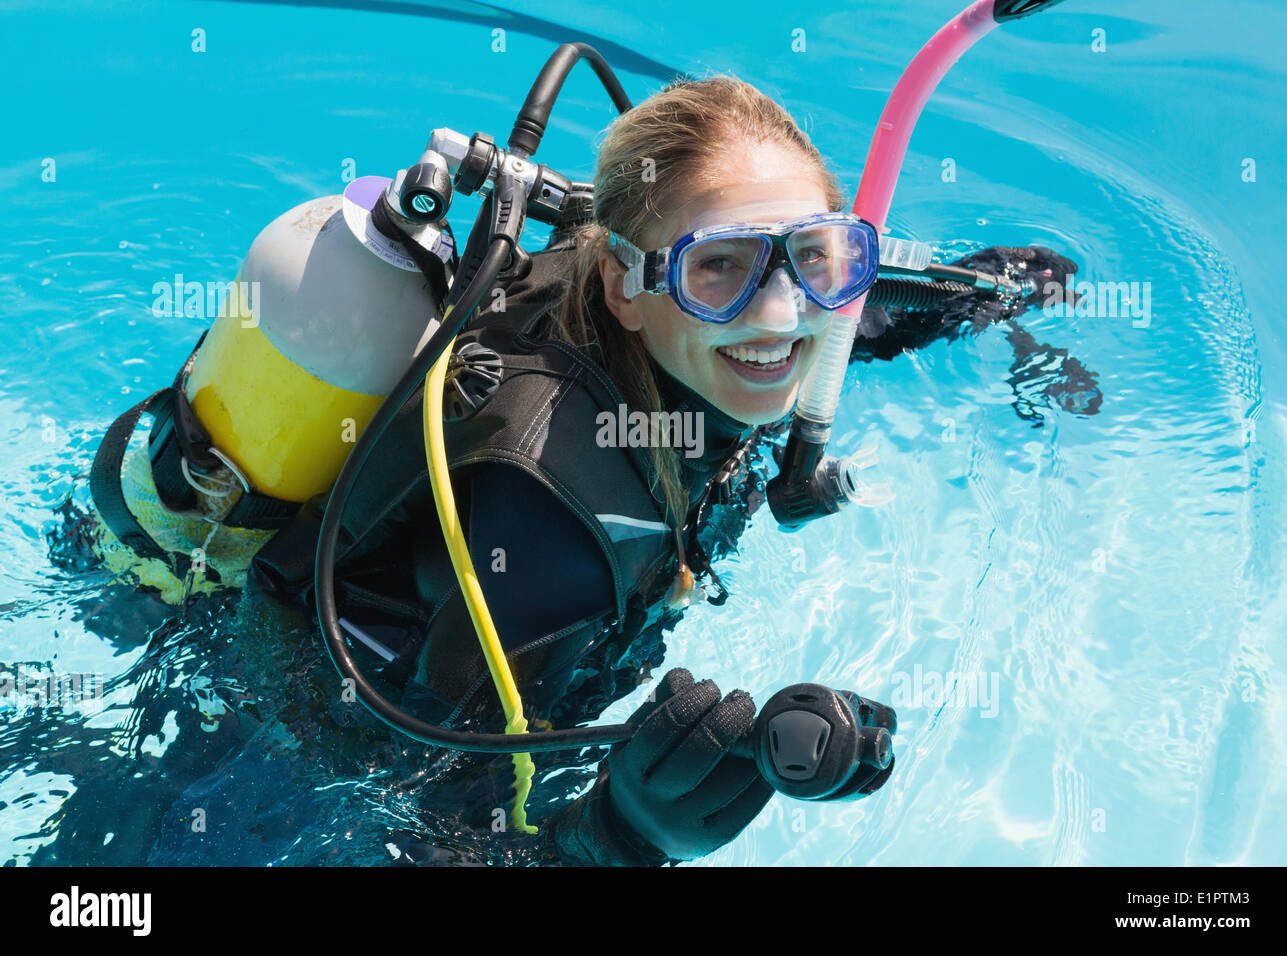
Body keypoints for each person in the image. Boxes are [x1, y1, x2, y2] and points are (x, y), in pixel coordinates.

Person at [236, 74, 1099, 866]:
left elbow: (836, 313)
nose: (781, 310)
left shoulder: (679, 301)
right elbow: (420, 826)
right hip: (276, 728)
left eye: (817, 256)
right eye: (719, 265)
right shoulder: (550, 528)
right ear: (621, 282)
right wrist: (613, 837)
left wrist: (994, 293)